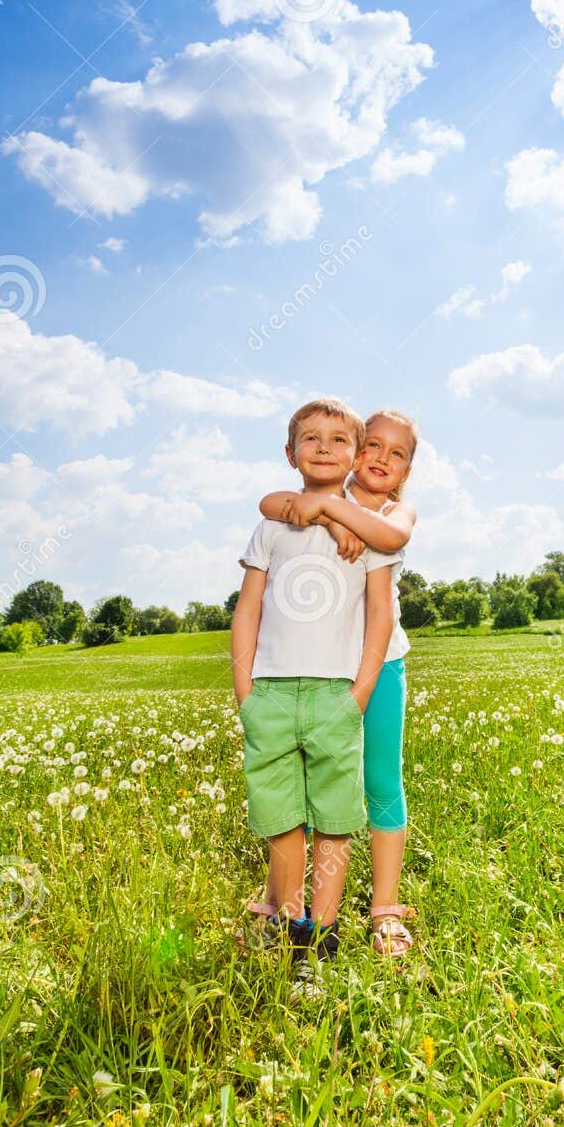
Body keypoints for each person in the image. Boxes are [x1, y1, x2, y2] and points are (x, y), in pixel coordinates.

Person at [230, 398, 399, 964]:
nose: (324, 447)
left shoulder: (369, 530)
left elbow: (382, 615)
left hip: (335, 693)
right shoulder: (273, 523)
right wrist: (244, 691)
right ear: (290, 453)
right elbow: (248, 607)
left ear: (353, 458)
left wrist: (359, 694)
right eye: (311, 438)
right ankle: (287, 918)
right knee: (282, 819)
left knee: (333, 821)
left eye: (338, 439)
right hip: (271, 693)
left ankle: (320, 941)